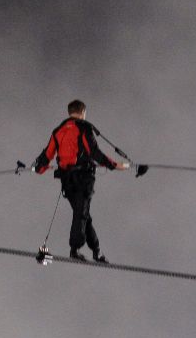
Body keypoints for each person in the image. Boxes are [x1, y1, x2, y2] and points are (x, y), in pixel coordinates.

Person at [33, 100, 129, 262]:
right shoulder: (83, 127)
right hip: (83, 179)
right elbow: (94, 152)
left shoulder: (58, 131)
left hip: (67, 181)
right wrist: (116, 165)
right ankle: (74, 248)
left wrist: (38, 168)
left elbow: (46, 156)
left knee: (83, 214)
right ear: (83, 112)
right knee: (81, 213)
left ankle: (96, 251)